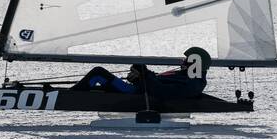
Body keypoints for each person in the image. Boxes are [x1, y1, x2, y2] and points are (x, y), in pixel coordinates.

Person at [73, 47, 211, 99]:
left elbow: (161, 91)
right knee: (99, 85)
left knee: (99, 73)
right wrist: (139, 77)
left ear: (195, 63)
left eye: (186, 61)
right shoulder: (188, 77)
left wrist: (144, 74)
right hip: (138, 90)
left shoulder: (192, 83)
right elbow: (158, 82)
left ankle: (68, 96)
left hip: (136, 94)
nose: (182, 63)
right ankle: (68, 92)